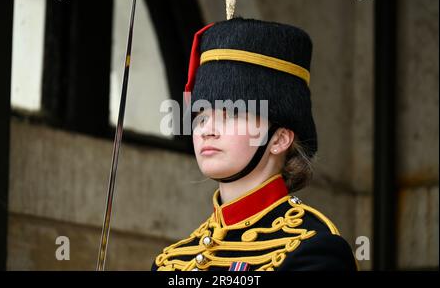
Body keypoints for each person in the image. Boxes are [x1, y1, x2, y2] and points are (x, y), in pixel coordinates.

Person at [151, 17, 358, 271]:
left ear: (279, 139)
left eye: (231, 115)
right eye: (201, 117)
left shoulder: (314, 251)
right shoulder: (172, 262)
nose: (207, 131)